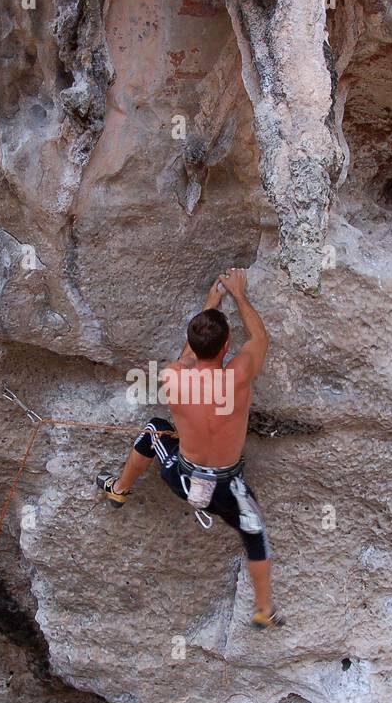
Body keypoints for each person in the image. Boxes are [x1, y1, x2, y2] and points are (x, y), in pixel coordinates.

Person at [96, 268, 283, 629]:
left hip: (183, 478)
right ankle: (263, 607)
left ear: (193, 346)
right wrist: (239, 295)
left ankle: (119, 491)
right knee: (255, 533)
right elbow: (261, 338)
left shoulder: (173, 376)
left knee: (155, 429)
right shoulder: (238, 375)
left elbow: (186, 358)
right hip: (229, 487)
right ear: (227, 346)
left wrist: (212, 300)